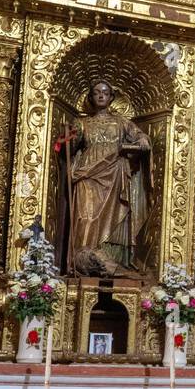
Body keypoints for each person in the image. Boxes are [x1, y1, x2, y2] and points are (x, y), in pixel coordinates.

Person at [66, 80, 151, 275]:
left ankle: (110, 261)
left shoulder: (122, 123)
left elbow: (141, 138)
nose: (101, 96)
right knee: (85, 217)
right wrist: (69, 139)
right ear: (91, 97)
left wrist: (143, 140)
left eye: (105, 92)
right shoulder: (82, 123)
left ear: (111, 97)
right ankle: (82, 260)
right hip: (88, 174)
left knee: (113, 217)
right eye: (97, 93)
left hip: (114, 174)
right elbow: (71, 147)